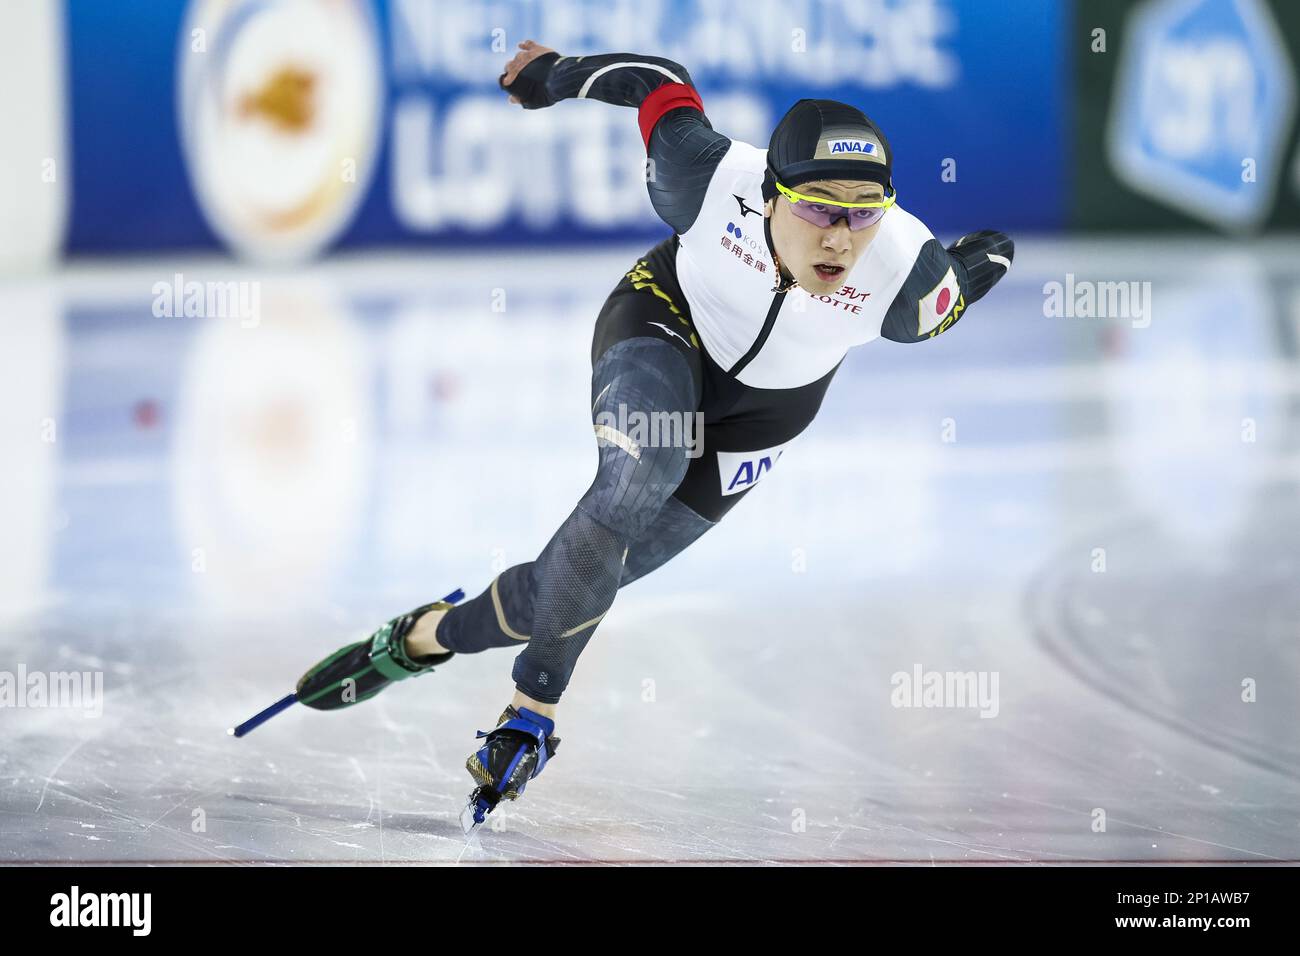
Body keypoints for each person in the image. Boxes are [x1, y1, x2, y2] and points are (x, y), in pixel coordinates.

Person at [294, 40, 1014, 825]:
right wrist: (556, 77)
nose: (840, 239)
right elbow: (657, 83)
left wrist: (982, 261)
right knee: (638, 475)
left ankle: (421, 639)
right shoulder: (704, 177)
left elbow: (962, 281)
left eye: (862, 215)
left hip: (765, 416)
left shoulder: (906, 286)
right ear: (769, 195)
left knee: (568, 588)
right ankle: (530, 714)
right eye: (817, 208)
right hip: (663, 323)